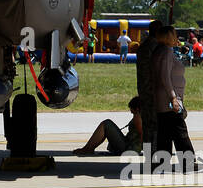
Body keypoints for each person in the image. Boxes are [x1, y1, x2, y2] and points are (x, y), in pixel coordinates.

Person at [151, 25, 193, 165]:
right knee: (179, 130)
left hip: (162, 98)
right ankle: (188, 163)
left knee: (165, 133)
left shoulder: (159, 50)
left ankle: (163, 163)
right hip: (169, 98)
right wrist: (173, 97)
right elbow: (165, 76)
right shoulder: (167, 52)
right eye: (174, 34)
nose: (176, 37)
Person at [72, 97, 143, 157]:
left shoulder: (138, 117)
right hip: (129, 146)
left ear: (137, 109)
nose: (131, 112)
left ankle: (88, 149)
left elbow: (142, 135)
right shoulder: (141, 116)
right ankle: (88, 148)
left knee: (107, 123)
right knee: (106, 124)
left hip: (128, 149)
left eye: (132, 111)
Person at [134, 20, 162, 145]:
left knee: (146, 125)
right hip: (154, 91)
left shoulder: (143, 46)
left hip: (143, 89)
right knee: (156, 125)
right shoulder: (156, 47)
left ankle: (149, 154)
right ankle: (156, 154)